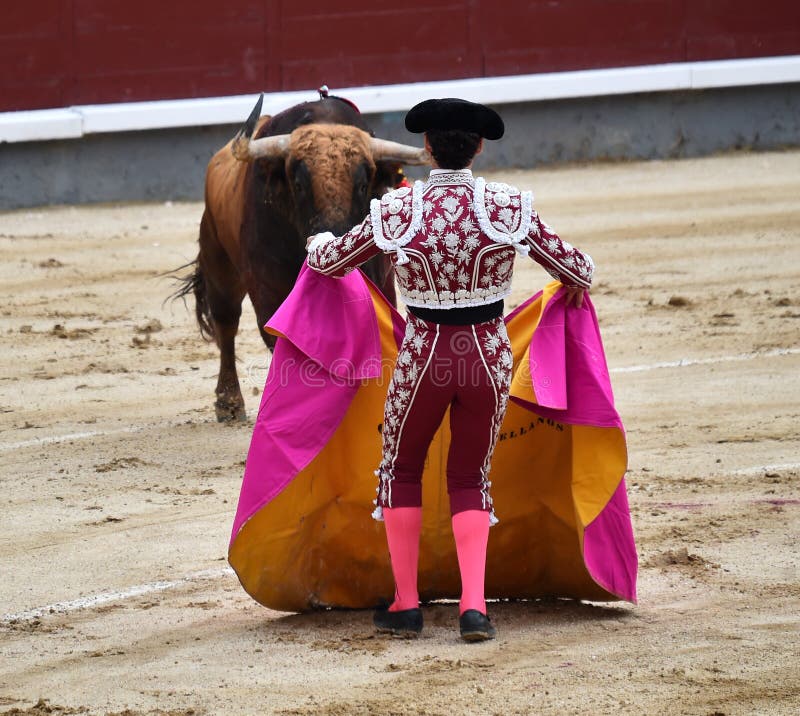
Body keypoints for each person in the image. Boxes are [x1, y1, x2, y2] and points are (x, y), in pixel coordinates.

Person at [305, 98, 594, 642]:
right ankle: (473, 608)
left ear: (427, 150)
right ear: (480, 147)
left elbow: (331, 261)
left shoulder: (398, 210)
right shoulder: (509, 207)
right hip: (488, 354)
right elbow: (578, 269)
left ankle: (408, 604)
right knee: (469, 477)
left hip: (424, 356)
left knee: (401, 470)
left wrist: (317, 242)